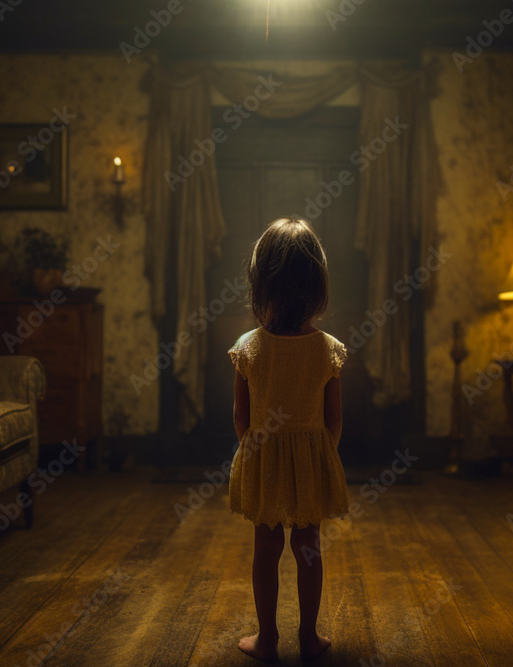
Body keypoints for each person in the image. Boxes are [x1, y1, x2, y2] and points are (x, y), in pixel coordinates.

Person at [228, 217, 350, 661]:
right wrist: (316, 459)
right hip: (311, 463)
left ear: (261, 286)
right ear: (317, 286)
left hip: (263, 460)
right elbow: (333, 421)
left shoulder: (248, 347)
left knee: (265, 547)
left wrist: (260, 454)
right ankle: (308, 637)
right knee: (309, 547)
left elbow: (241, 419)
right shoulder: (328, 348)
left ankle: (267, 638)